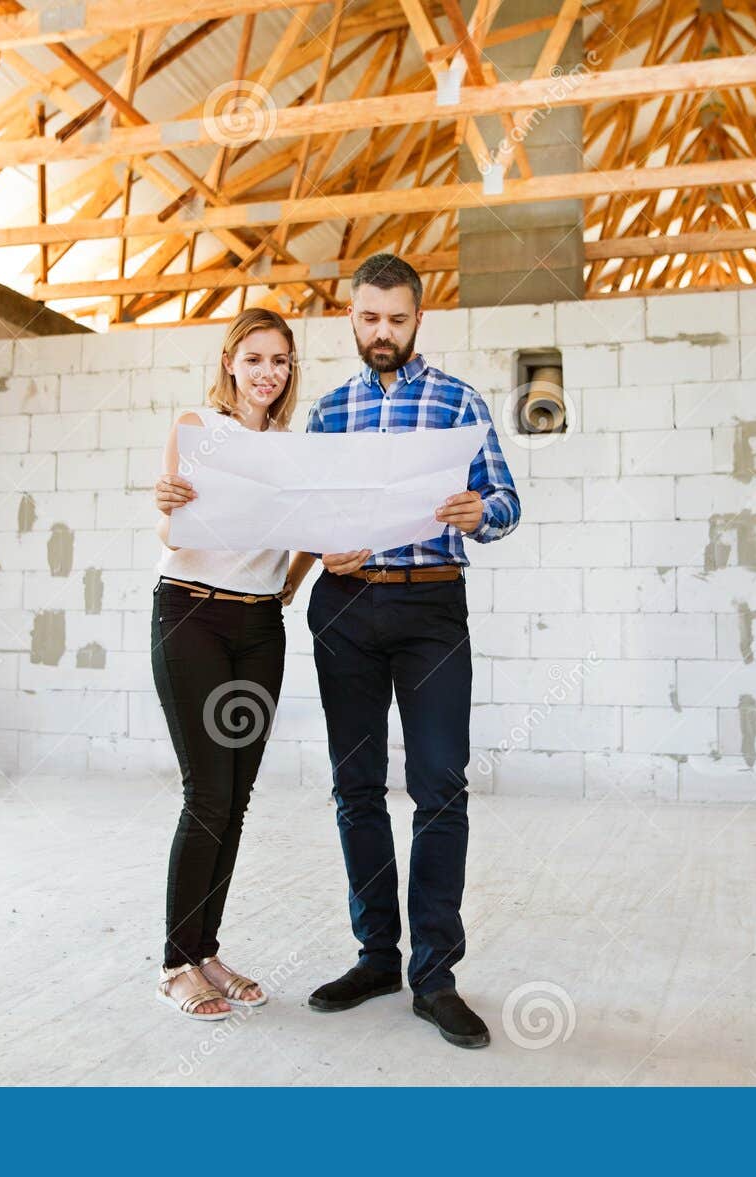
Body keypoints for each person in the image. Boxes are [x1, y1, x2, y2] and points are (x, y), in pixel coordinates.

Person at [284, 253, 522, 1048]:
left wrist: (475, 509)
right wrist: (326, 548)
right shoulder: (325, 412)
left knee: (439, 785)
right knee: (356, 786)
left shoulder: (460, 401)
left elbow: (506, 501)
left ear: (418, 318)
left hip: (429, 610)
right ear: (351, 318)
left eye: (396, 319)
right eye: (368, 319)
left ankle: (435, 974)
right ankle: (375, 955)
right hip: (346, 608)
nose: (382, 333)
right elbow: (304, 515)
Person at [150, 308, 308, 1021]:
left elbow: (308, 536)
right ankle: (176, 962)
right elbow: (169, 523)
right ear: (230, 364)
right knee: (207, 792)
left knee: (236, 796)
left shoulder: (295, 451)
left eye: (279, 360)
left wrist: (290, 581)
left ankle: (206, 947)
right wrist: (164, 501)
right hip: (191, 614)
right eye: (254, 359)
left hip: (259, 625)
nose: (267, 373)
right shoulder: (197, 430)